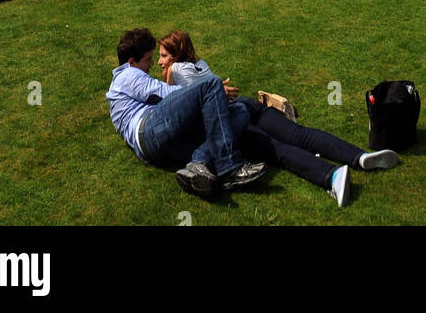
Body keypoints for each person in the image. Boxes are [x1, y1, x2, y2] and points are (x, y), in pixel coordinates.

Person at [157, 30, 399, 207]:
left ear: (176, 56)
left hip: (231, 118)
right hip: (247, 104)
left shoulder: (176, 70)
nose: (160, 62)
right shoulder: (200, 63)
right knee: (299, 134)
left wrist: (168, 75)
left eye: (164, 56)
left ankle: (332, 176)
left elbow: (179, 101)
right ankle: (361, 157)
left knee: (278, 150)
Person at [105, 27, 266, 197]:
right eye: (147, 59)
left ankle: (198, 163)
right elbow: (163, 94)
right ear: (131, 62)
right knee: (211, 83)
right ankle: (230, 167)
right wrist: (208, 92)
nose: (152, 63)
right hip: (148, 130)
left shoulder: (125, 82)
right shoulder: (127, 75)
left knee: (239, 110)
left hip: (161, 145)